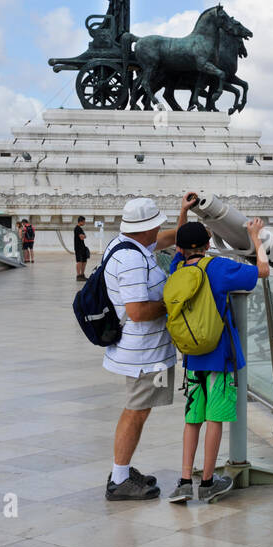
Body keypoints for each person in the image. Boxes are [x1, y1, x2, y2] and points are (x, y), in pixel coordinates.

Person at [166, 218, 269, 504]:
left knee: (192, 419)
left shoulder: (177, 268)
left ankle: (185, 481)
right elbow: (263, 270)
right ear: (208, 245)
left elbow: (179, 247)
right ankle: (208, 482)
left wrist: (183, 211)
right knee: (215, 419)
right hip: (221, 356)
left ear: (180, 248)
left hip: (192, 357)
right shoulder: (219, 267)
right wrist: (255, 237)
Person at [103, 194, 194, 501]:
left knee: (138, 410)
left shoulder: (128, 244)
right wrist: (175, 300)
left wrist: (183, 213)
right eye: (156, 226)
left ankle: (123, 472)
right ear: (146, 230)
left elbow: (173, 238)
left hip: (144, 350)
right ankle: (119, 479)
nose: (160, 232)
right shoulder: (131, 258)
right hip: (142, 353)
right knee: (136, 411)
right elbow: (139, 311)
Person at [74, 216, 90, 281]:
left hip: (83, 247)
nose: (84, 223)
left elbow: (84, 236)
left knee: (84, 261)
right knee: (79, 261)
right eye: (84, 221)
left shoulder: (80, 229)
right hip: (78, 248)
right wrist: (84, 236)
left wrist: (84, 236)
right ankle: (78, 275)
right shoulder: (77, 228)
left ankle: (82, 274)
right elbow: (82, 237)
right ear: (81, 221)